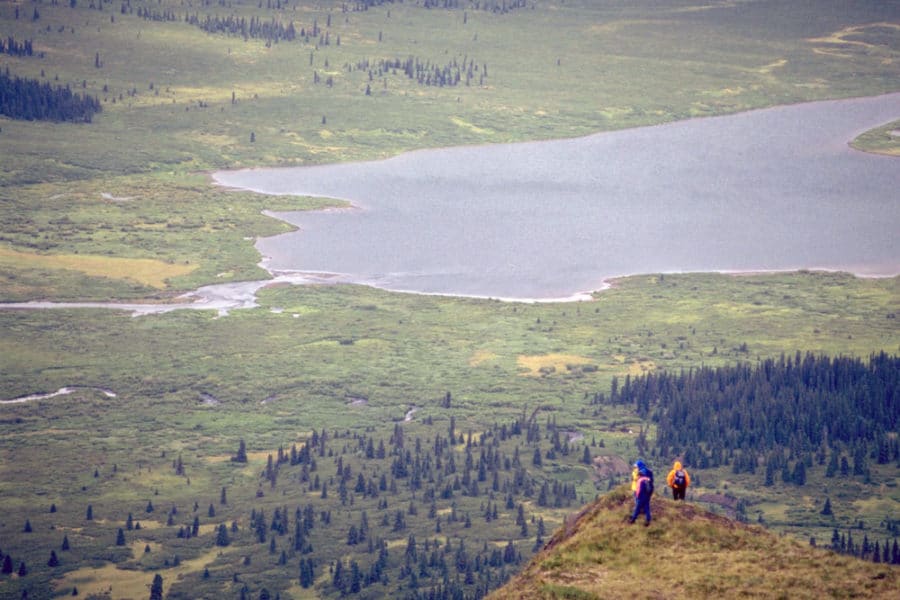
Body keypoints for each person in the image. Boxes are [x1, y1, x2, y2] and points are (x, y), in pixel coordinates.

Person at [629, 459, 653, 526]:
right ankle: (648, 519)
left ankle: (633, 519)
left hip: (641, 497)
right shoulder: (647, 479)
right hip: (647, 496)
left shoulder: (640, 481)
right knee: (647, 507)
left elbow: (639, 490)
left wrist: (637, 496)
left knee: (637, 508)